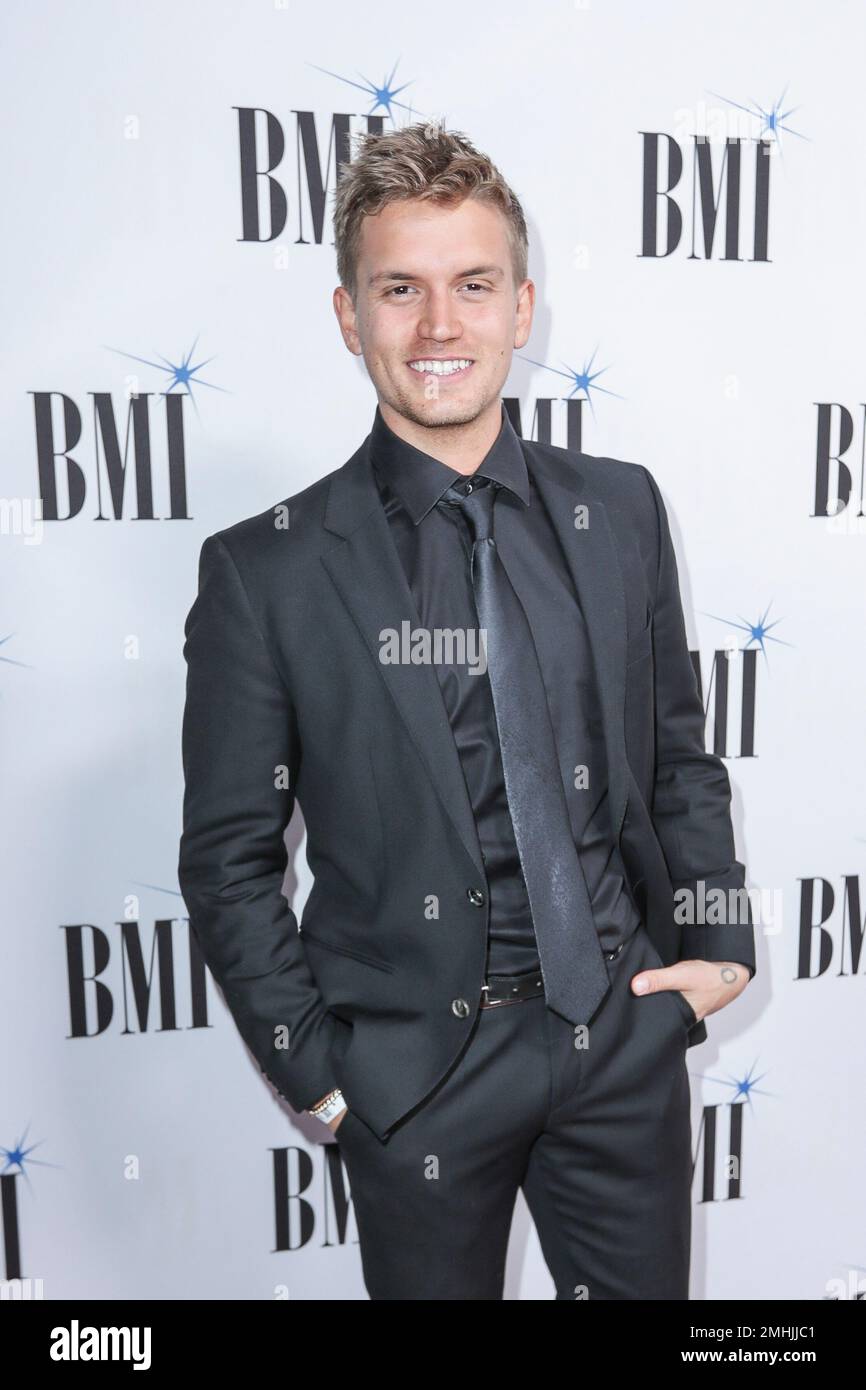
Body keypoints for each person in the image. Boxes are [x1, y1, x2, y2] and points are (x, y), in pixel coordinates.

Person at [178, 119, 756, 1300]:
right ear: (350, 316)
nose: (439, 327)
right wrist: (325, 1079)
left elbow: (677, 753)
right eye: (401, 289)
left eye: (472, 286)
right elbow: (229, 861)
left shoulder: (621, 510)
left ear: (521, 307)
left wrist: (716, 950)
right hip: (414, 1077)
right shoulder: (268, 571)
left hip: (619, 1038)